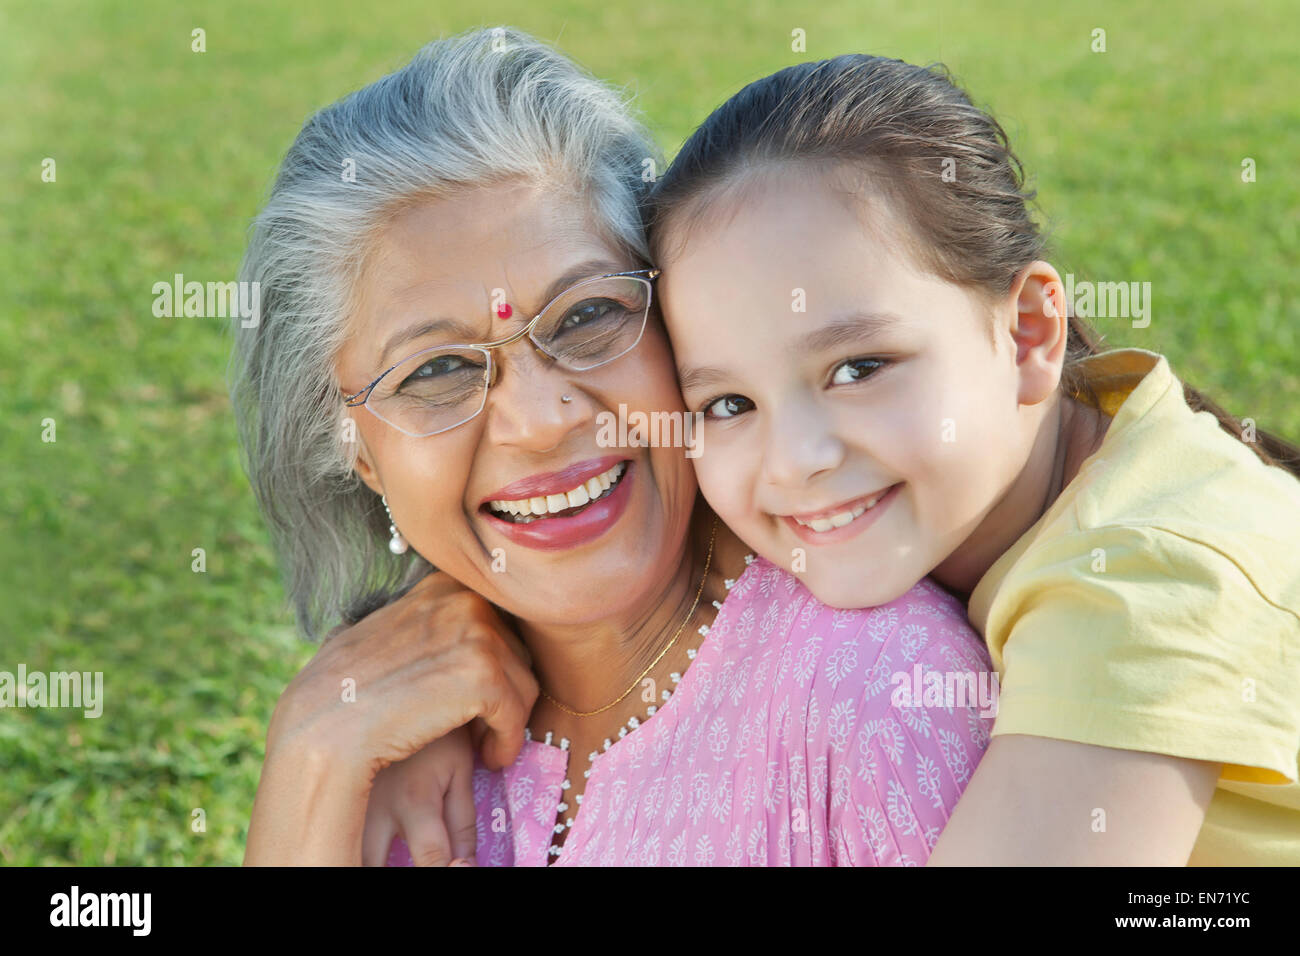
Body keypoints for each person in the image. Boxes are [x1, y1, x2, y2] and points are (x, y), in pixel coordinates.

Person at [232, 29, 994, 867]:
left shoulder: (872, 694)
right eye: (438, 371)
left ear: (678, 316)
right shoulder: (384, 739)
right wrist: (312, 759)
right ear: (359, 454)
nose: (542, 419)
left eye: (588, 315)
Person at [643, 54, 1300, 865]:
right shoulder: (1062, 455)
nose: (796, 460)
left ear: (1029, 333)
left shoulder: (1142, 584)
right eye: (729, 405)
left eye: (858, 369)